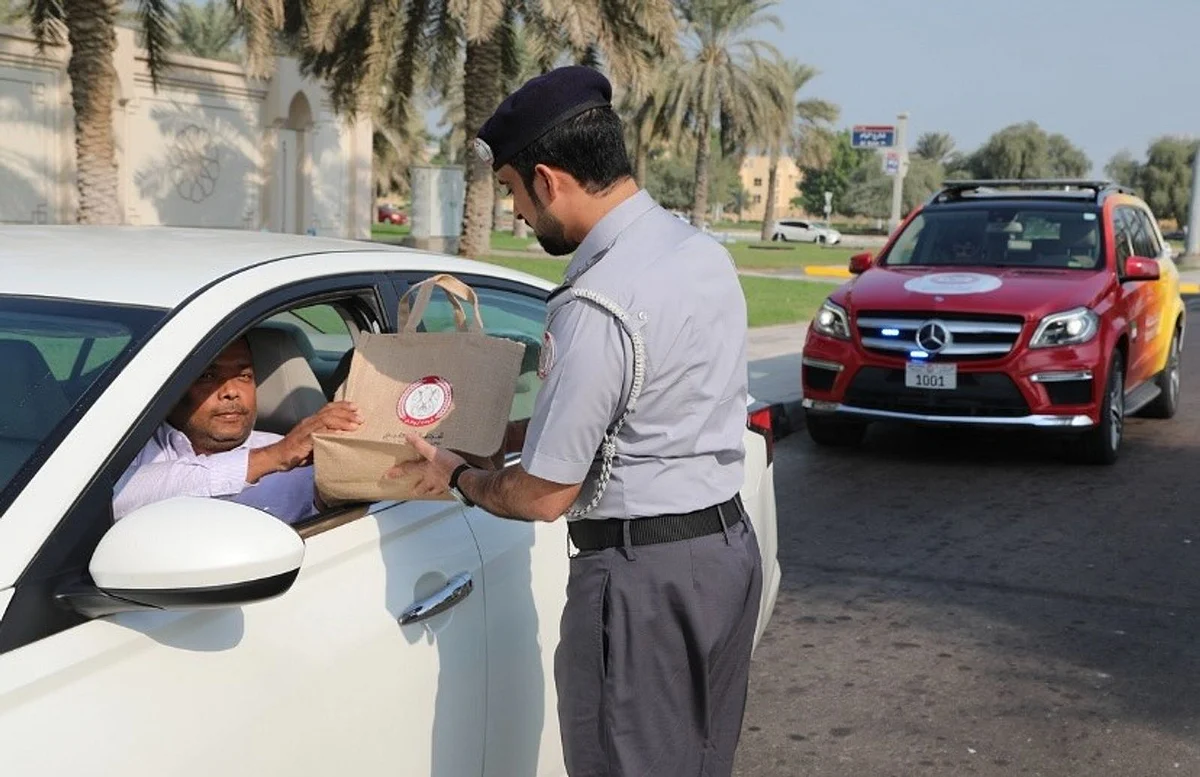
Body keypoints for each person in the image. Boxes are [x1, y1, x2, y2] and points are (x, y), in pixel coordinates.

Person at [394, 66, 762, 776]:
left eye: (512, 192)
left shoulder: (596, 301)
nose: (517, 214)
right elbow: (650, 405)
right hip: (723, 551)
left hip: (642, 582)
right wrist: (514, 434)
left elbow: (544, 494)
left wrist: (460, 475)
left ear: (547, 179)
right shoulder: (698, 253)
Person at [112, 337, 361, 523]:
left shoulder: (300, 464)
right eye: (208, 376)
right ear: (171, 389)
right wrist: (270, 458)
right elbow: (113, 498)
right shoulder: (124, 448)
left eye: (244, 376)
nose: (232, 391)